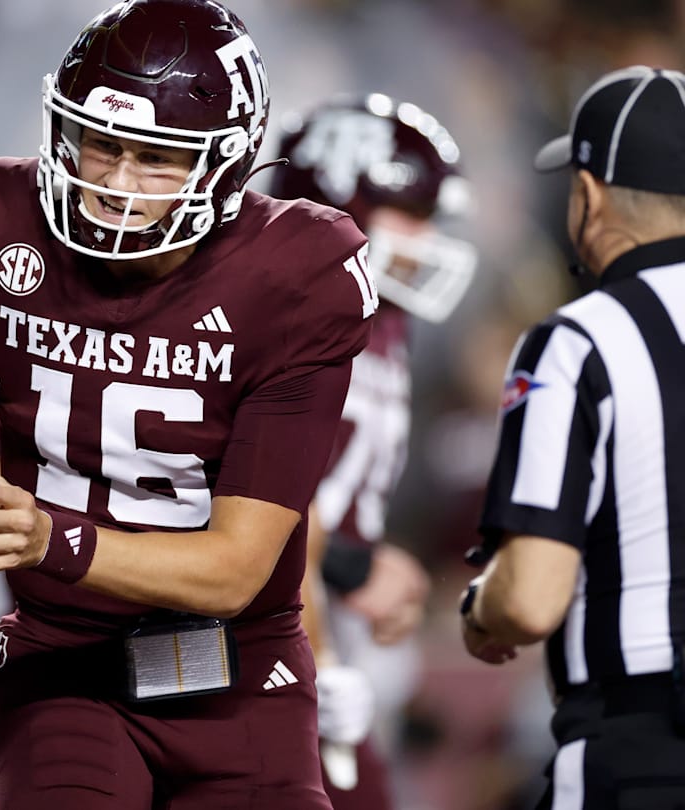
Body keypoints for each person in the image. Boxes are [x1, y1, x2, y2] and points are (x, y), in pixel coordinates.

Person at [0, 1, 378, 806]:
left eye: (157, 158)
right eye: (100, 146)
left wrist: (46, 537)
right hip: (63, 662)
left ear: (226, 165)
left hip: (242, 671)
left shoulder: (294, 274)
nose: (115, 186)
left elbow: (235, 569)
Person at [462, 65, 685, 809]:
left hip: (646, 746)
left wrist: (480, 607)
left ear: (587, 195)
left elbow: (529, 598)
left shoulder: (583, 340)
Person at [267, 94, 478, 809]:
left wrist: (358, 565)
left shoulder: (382, 319)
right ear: (341, 202)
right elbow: (272, 501)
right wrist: (354, 569)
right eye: (413, 214)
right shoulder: (294, 317)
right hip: (266, 641)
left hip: (321, 631)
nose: (427, 238)